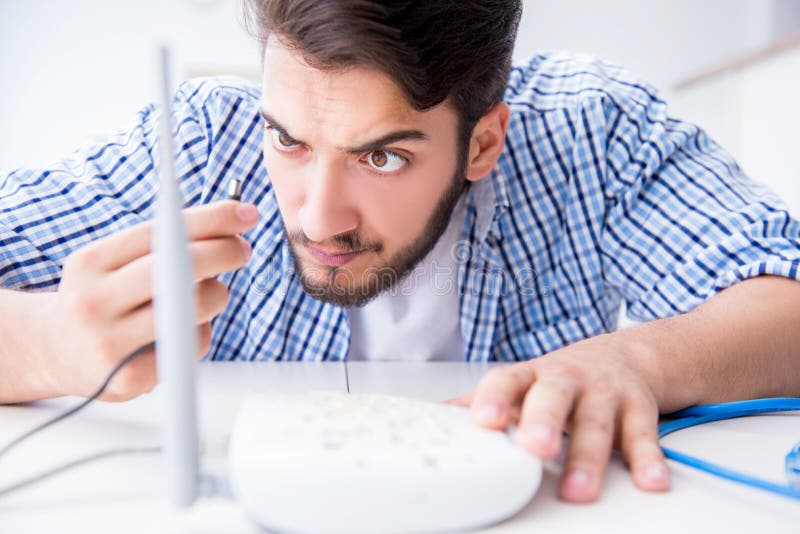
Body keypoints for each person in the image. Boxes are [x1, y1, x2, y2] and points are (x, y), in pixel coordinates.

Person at [1, 0, 799, 504]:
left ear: (484, 142)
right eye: (288, 139)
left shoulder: (595, 130)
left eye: (381, 156)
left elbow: (785, 295)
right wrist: (45, 344)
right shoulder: (204, 142)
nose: (315, 217)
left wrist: (643, 361)